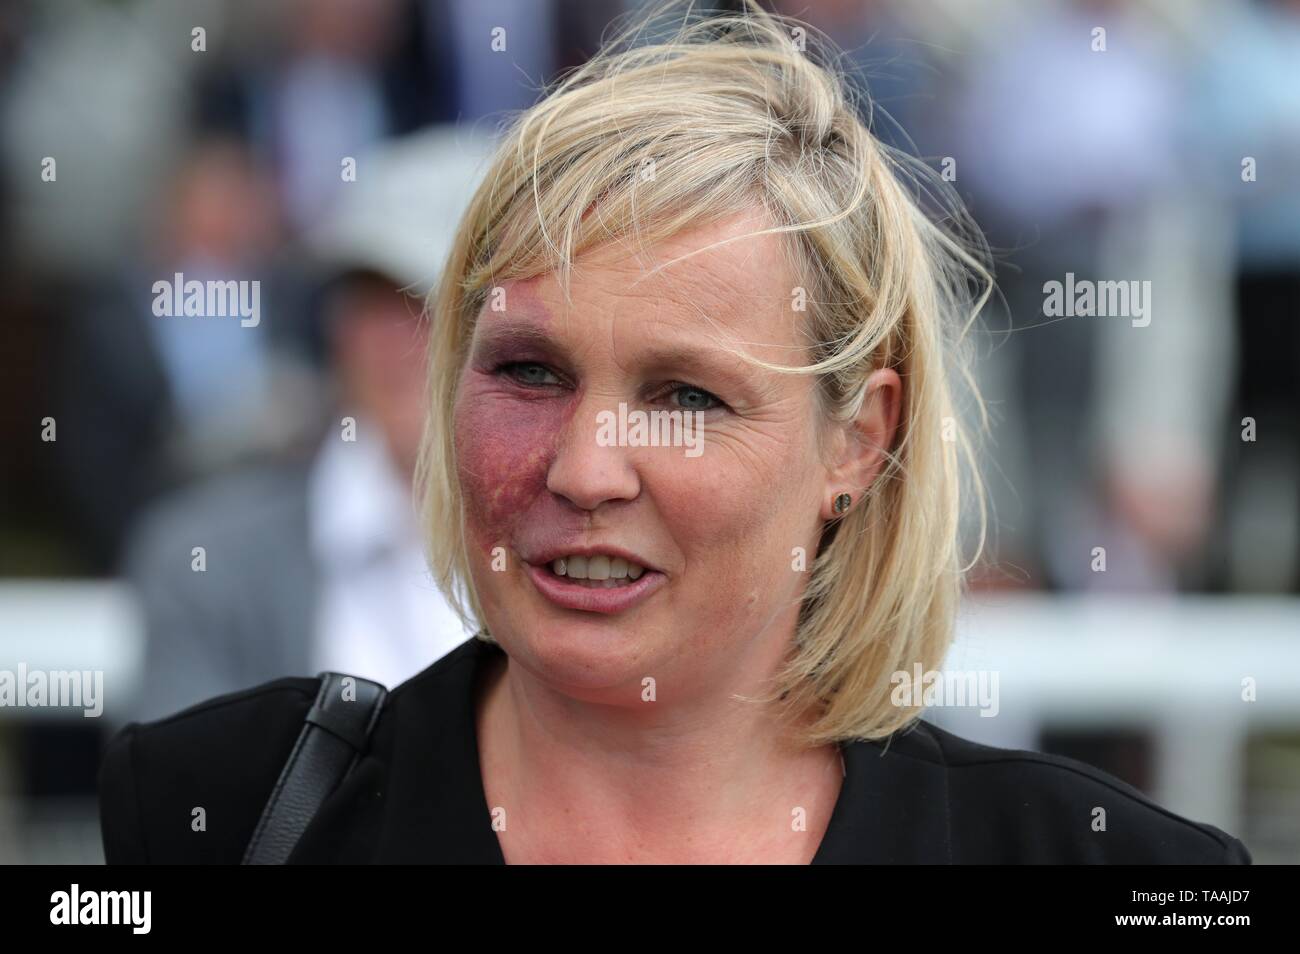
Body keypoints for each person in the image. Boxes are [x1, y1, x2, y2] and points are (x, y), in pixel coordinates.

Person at [98, 0, 1250, 864]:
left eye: (686, 397)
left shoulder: (1105, 867)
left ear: (858, 438)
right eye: (528, 370)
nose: (586, 467)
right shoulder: (223, 807)